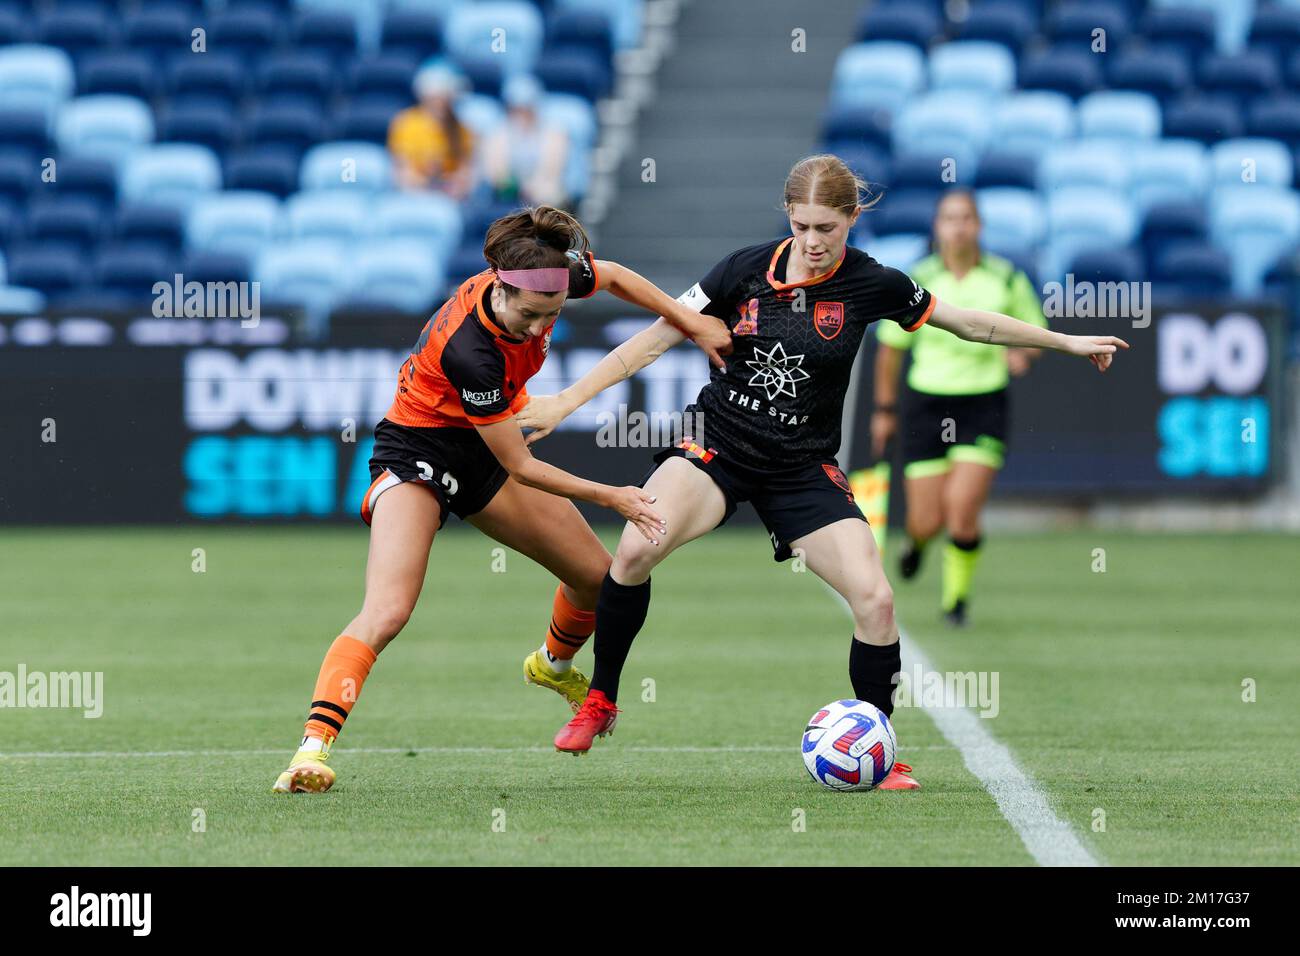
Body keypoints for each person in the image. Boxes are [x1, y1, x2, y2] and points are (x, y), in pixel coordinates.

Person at [518, 155, 1126, 788]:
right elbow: (654, 338)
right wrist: (566, 401)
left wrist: (1066, 342)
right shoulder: (742, 269)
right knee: (637, 548)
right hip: (718, 444)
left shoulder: (875, 284)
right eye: (802, 225)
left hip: (801, 467)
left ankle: (879, 747)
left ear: (852, 219)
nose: (812, 242)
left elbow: (970, 323)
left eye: (826, 229)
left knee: (876, 597)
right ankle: (602, 699)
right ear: (788, 215)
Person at [272, 206, 733, 793]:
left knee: (598, 580)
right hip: (419, 454)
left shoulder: (546, 275)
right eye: (532, 315)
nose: (542, 328)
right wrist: (610, 495)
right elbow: (520, 463)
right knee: (389, 609)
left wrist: (687, 322)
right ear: (501, 286)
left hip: (480, 450)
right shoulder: (474, 353)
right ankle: (311, 750)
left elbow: (613, 275)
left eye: (554, 316)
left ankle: (553, 665)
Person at [871, 190, 1046, 627]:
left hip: (983, 402)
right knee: (926, 520)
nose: (958, 226)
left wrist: (1022, 354)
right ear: (938, 226)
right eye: (950, 218)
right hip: (926, 403)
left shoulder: (1006, 279)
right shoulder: (919, 278)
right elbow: (891, 349)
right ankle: (916, 544)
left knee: (962, 506)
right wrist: (885, 409)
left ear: (979, 226)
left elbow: (1033, 332)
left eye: (966, 218)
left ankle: (956, 602)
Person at [388, 63, 477, 198]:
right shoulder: (405, 124)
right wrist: (427, 186)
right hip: (414, 195)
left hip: (451, 198)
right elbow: (402, 173)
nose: (440, 104)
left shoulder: (462, 130)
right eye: (435, 99)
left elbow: (465, 175)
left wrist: (452, 187)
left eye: (445, 98)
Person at [483, 74, 571, 208]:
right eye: (517, 108)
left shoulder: (555, 133)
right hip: (507, 195)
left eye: (526, 108)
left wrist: (532, 188)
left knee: (550, 197)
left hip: (543, 193)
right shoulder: (497, 133)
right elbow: (495, 172)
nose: (521, 113)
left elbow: (552, 171)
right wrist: (516, 187)